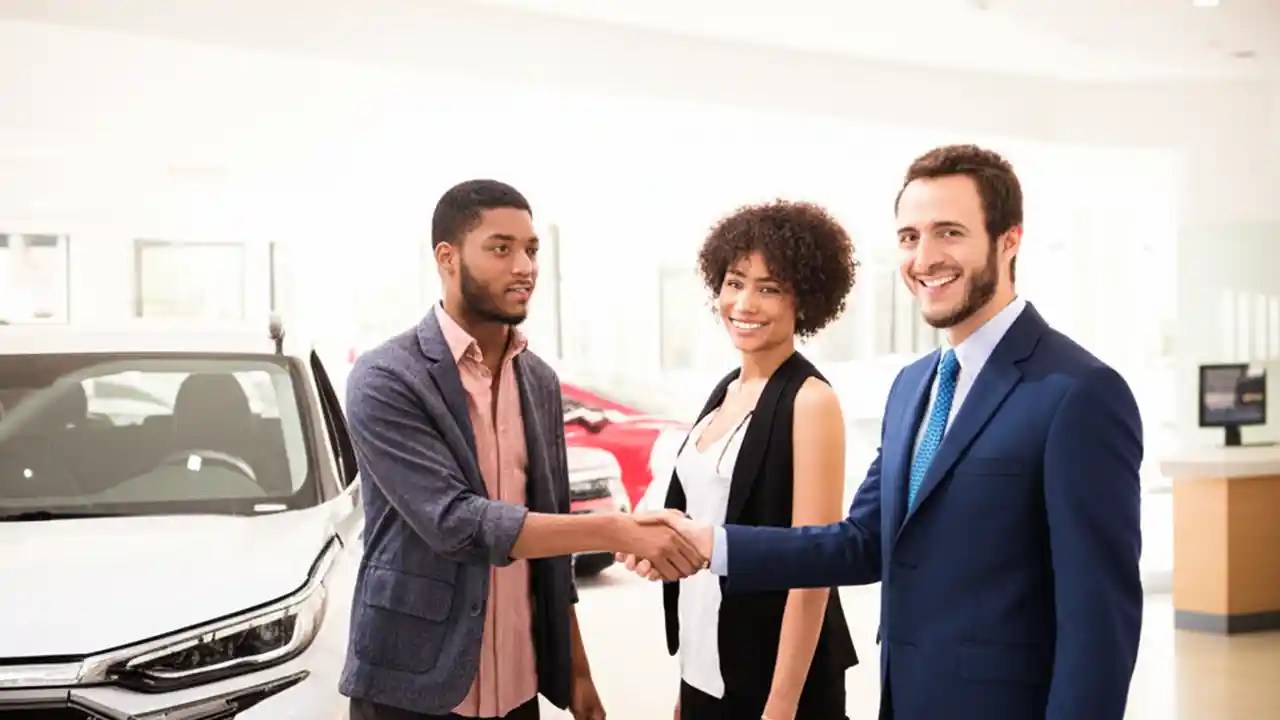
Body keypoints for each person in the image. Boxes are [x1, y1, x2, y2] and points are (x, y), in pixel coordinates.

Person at [634, 145, 1145, 720]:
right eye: (909, 237)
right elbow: (862, 542)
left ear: (1009, 240)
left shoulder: (1079, 394)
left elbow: (1099, 622)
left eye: (949, 232)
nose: (924, 258)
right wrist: (709, 543)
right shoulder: (914, 386)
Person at [339, 179, 705, 720]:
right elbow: (455, 524)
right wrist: (616, 529)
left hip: (518, 686)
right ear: (447, 257)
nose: (524, 267)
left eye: (532, 249)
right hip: (413, 686)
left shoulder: (539, 382)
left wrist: (578, 673)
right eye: (500, 248)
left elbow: (551, 538)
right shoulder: (387, 377)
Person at [654, 200, 860, 720]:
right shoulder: (726, 390)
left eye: (768, 288)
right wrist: (689, 683)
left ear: (806, 300)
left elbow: (814, 566)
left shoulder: (811, 400)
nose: (743, 303)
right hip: (708, 666)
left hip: (774, 681)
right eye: (734, 281)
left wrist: (782, 705)